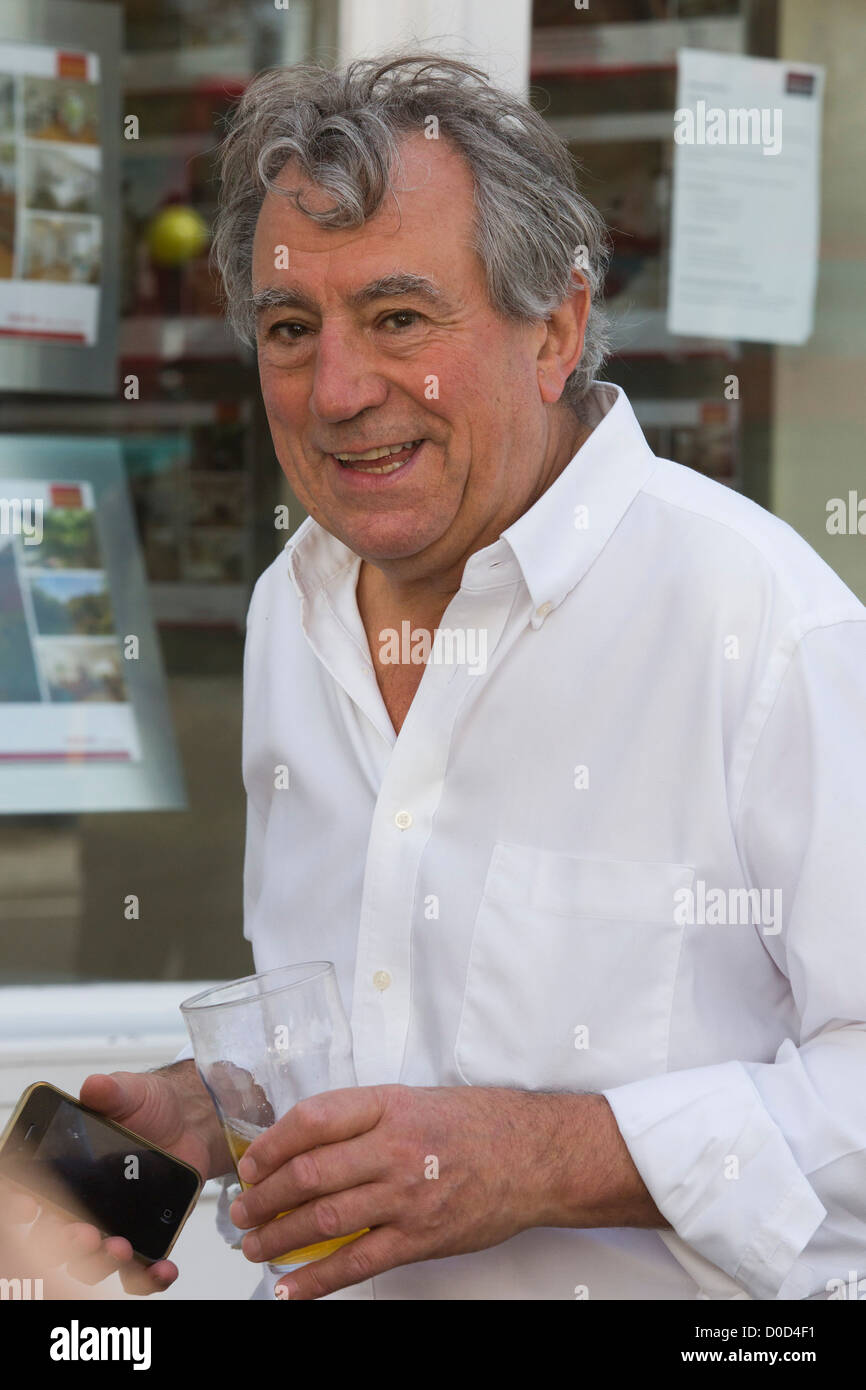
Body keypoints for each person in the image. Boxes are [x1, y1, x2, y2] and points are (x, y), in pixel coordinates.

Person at [23, 52, 866, 1301]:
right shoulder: (290, 607)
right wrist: (210, 1113)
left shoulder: (761, 625)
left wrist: (545, 1158)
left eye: (399, 319)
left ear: (557, 328)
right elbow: (382, 1002)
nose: (339, 392)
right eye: (291, 329)